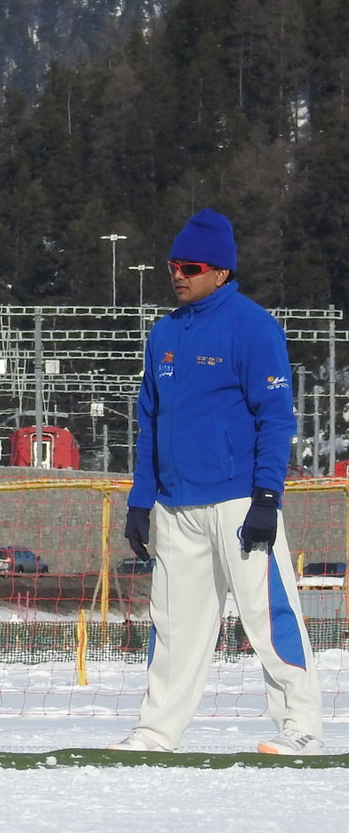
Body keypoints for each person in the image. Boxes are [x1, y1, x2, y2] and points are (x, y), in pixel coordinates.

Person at [114, 209, 322, 754]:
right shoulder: (163, 334)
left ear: (221, 272)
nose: (177, 274)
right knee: (174, 626)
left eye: (190, 266)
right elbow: (148, 421)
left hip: (239, 503)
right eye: (172, 265)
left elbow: (276, 417)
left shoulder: (253, 327)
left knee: (268, 616)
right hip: (176, 507)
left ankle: (300, 725)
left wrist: (266, 497)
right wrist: (140, 500)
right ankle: (157, 731)